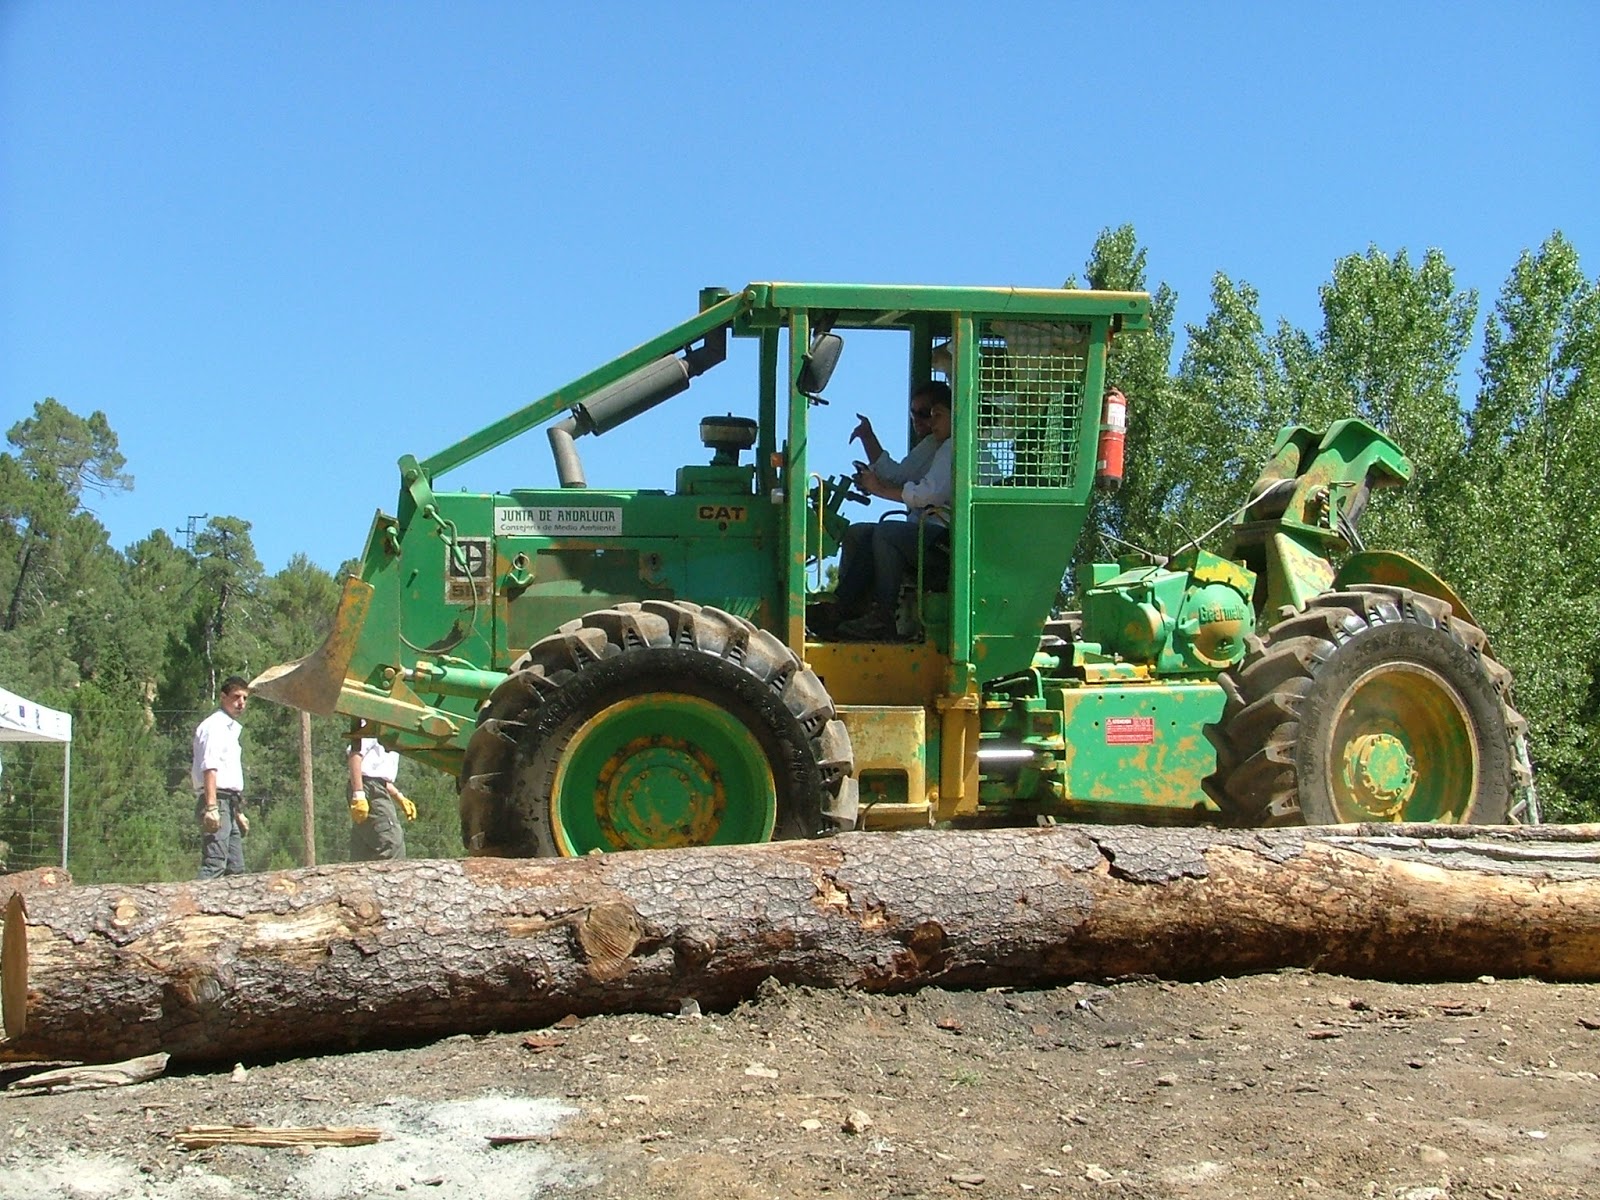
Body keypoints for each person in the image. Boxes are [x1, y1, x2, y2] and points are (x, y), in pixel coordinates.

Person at [834, 382, 954, 640]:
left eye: (932, 414)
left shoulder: (955, 446)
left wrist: (878, 488)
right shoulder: (935, 444)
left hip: (952, 544)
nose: (925, 421)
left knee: (887, 533)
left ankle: (883, 616)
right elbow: (898, 476)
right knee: (859, 534)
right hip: (930, 534)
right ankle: (846, 608)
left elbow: (928, 494)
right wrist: (869, 440)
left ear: (955, 414)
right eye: (916, 414)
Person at [192, 676, 250, 879]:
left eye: (244, 698)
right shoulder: (214, 726)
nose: (241, 703)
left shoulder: (230, 729)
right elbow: (210, 767)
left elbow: (229, 775)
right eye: (236, 697)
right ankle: (195, 898)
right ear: (223, 697)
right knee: (214, 863)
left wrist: (238, 812)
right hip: (217, 801)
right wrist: (211, 807)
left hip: (229, 803)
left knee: (235, 868)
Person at [347, 728, 415, 861]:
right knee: (391, 842)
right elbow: (355, 756)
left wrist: (399, 796)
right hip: (368, 787)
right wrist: (359, 794)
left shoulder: (391, 730)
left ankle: (358, 874)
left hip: (373, 786)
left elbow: (379, 776)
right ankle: (393, 874)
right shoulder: (375, 725)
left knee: (364, 848)